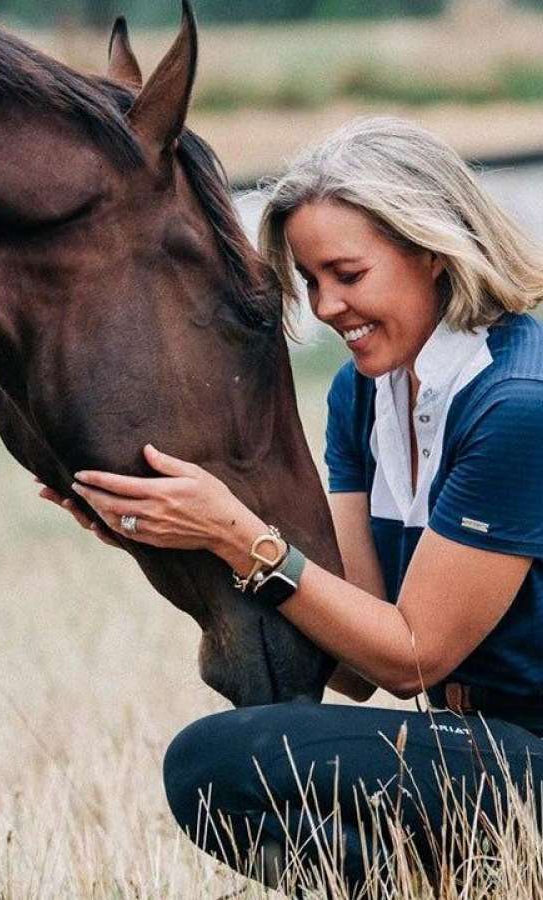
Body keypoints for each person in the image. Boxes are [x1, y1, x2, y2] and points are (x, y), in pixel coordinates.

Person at [42, 117, 543, 893]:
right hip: (480, 744)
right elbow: (356, 663)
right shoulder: (360, 395)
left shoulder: (515, 403)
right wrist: (167, 537)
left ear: (431, 254)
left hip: (524, 754)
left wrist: (238, 534)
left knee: (213, 764)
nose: (328, 306)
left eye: (348, 273)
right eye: (309, 281)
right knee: (220, 768)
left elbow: (412, 657)